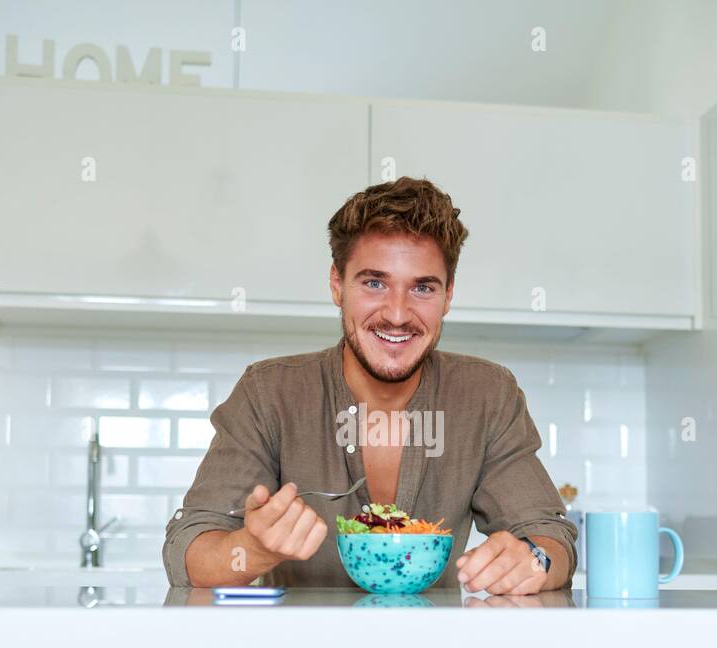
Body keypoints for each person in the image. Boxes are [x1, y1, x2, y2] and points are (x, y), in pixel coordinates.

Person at [163, 176, 576, 595]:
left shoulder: (487, 395)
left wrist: (533, 561)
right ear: (337, 285)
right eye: (374, 283)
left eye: (422, 287)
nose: (397, 314)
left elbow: (549, 536)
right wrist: (252, 549)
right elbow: (189, 550)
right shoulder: (269, 394)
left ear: (448, 295)